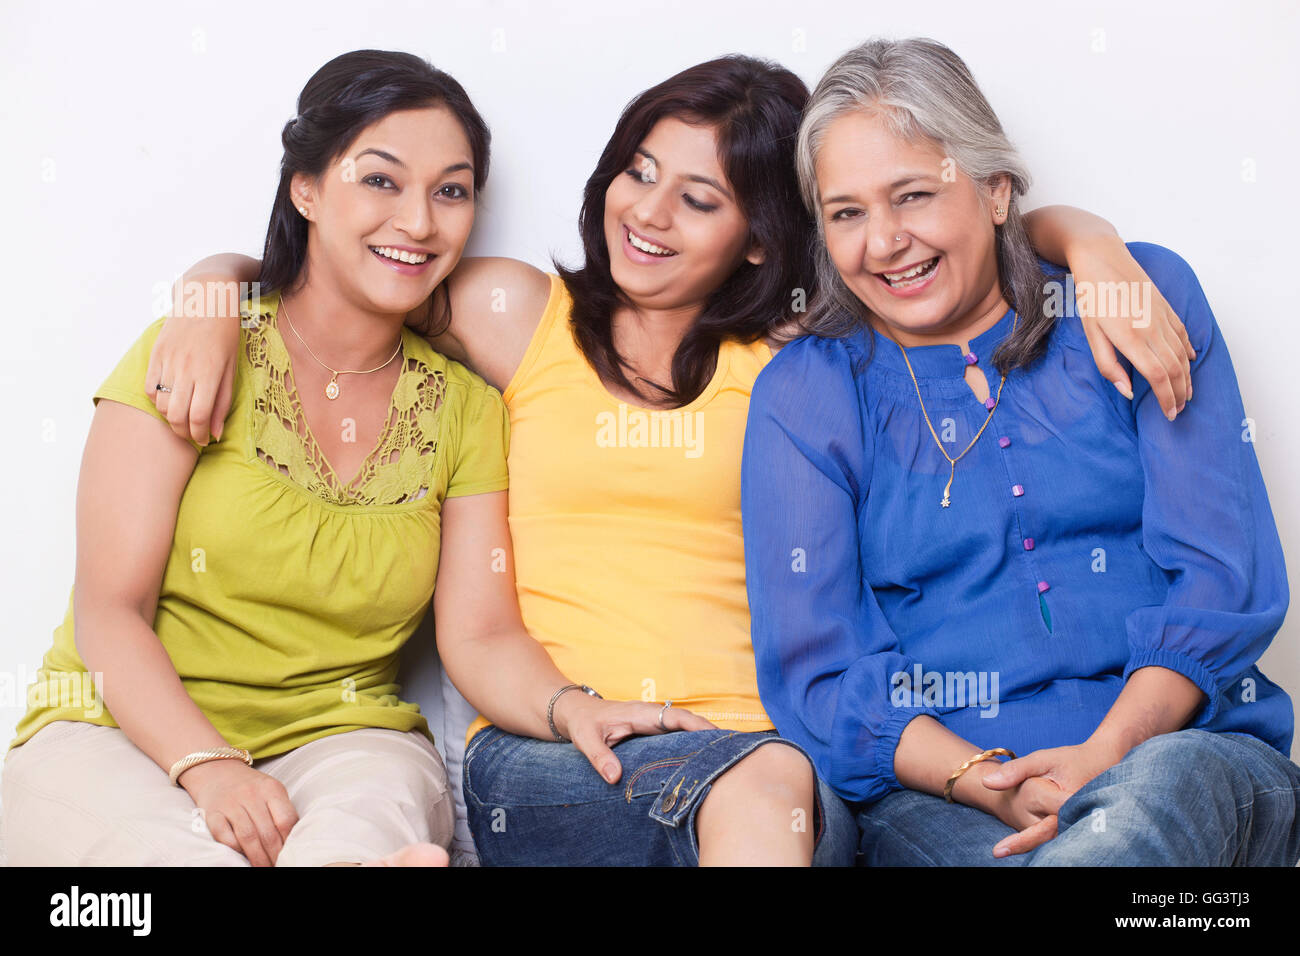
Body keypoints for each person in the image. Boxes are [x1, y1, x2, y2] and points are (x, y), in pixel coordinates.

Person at [144, 54, 1196, 866]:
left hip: (779, 759)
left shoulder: (803, 360)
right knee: (750, 785)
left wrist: (1085, 239)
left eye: (697, 198)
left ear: (755, 236)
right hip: (558, 752)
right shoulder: (517, 314)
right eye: (639, 171)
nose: (644, 212)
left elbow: (944, 248)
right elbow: (346, 264)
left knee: (767, 778)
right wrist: (210, 287)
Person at [741, 36, 1299, 866]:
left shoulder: (1132, 301)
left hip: (1190, 754)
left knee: (1155, 798)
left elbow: (1223, 576)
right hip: (949, 792)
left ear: (996, 190)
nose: (885, 241)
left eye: (913, 195)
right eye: (847, 213)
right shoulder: (808, 392)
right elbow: (818, 671)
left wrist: (1103, 759)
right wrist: (982, 777)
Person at [2, 49, 524, 867]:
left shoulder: (466, 411)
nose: (420, 222)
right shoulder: (198, 349)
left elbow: (483, 634)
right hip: (117, 729)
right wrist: (210, 769)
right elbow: (110, 611)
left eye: (450, 190)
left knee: (365, 824)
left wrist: (577, 709)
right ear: (306, 188)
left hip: (342, 737)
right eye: (380, 180)